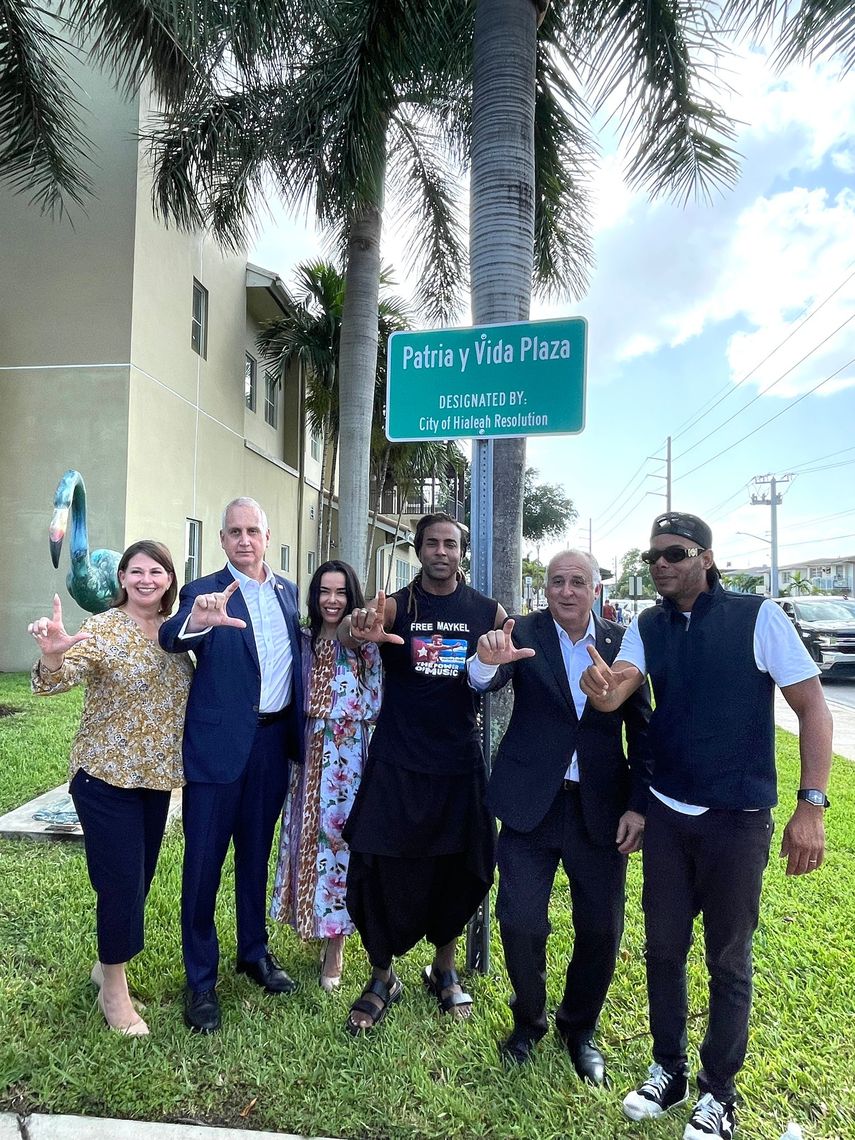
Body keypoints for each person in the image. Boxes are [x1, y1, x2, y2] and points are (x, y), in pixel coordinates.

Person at [580, 512, 833, 1140]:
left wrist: (812, 805)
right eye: (652, 557)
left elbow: (813, 708)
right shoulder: (646, 625)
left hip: (737, 820)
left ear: (706, 557)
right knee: (663, 950)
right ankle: (669, 1070)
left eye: (674, 553)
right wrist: (602, 687)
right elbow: (619, 692)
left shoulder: (758, 617)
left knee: (729, 957)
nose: (661, 565)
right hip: (668, 812)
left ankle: (719, 1096)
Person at [468, 550, 651, 1082]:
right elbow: (482, 684)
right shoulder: (521, 631)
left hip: (600, 807)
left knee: (600, 927)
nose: (566, 591)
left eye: (577, 582)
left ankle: (580, 1027)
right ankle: (528, 1022)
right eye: (556, 582)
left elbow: (642, 730)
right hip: (531, 803)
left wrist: (639, 805)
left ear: (596, 589)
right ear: (544, 588)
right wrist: (484, 660)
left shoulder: (623, 644)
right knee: (520, 920)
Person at [339, 512, 507, 1034]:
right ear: (418, 550)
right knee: (379, 862)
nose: (442, 551)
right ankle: (382, 976)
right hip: (397, 759)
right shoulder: (396, 604)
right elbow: (353, 635)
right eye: (432, 543)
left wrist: (492, 662)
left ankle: (445, 968)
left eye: (451, 544)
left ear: (463, 552)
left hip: (457, 762)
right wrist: (356, 630)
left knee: (459, 866)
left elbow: (494, 681)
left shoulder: (486, 610)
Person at [29, 540, 193, 1036]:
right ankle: (114, 993)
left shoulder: (176, 632)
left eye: (156, 572)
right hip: (104, 776)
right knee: (120, 882)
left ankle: (105, 966)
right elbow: (60, 678)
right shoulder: (103, 626)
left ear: (169, 580)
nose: (146, 580)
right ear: (121, 578)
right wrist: (55, 657)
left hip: (156, 777)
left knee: (138, 879)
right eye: (136, 571)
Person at [160, 497, 304, 1033]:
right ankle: (200, 981)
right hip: (217, 752)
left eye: (253, 531)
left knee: (256, 857)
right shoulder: (203, 593)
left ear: (267, 537)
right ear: (221, 540)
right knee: (202, 868)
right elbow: (171, 634)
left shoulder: (289, 593)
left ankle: (254, 952)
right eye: (234, 532)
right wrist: (196, 622)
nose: (245, 540)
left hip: (270, 746)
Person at [270, 560, 381, 991]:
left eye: (340, 593)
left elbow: (376, 701)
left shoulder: (364, 645)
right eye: (324, 592)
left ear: (351, 597)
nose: (332, 601)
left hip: (348, 757)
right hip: (304, 753)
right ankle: (309, 921)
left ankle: (336, 944)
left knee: (339, 843)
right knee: (304, 839)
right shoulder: (301, 639)